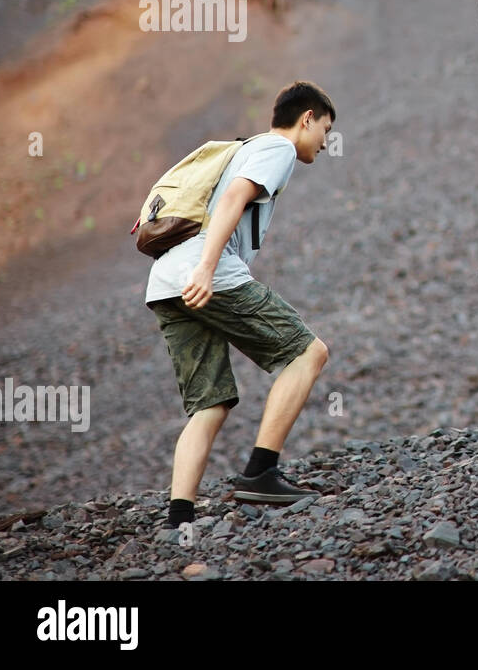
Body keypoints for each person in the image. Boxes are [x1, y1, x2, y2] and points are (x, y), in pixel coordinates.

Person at [144, 81, 335, 527]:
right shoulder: (278, 149)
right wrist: (208, 269)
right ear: (306, 118)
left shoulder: (245, 147)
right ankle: (260, 473)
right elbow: (234, 199)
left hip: (166, 282)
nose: (326, 143)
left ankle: (179, 518)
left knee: (210, 402)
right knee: (308, 352)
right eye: (325, 129)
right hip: (205, 271)